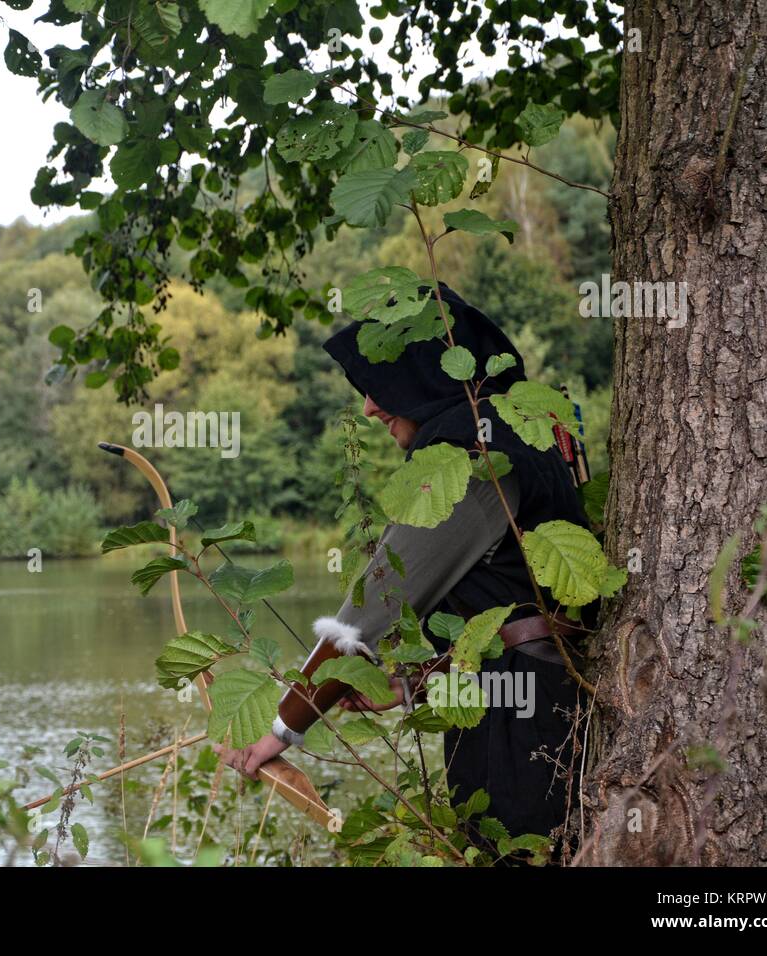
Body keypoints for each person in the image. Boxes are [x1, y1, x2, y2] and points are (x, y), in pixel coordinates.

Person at [215, 285, 592, 840]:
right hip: (530, 702)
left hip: (521, 728)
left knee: (511, 848)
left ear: (422, 376)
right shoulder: (513, 433)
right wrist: (410, 684)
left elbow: (364, 617)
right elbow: (508, 611)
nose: (369, 407)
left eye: (380, 386)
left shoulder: (469, 460)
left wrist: (278, 731)